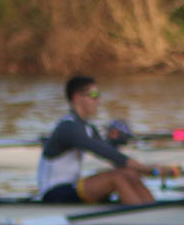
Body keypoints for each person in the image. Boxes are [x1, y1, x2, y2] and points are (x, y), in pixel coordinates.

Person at [39, 75, 173, 207]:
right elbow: (105, 153)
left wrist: (117, 142)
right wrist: (148, 169)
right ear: (77, 98)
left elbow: (111, 153)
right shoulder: (68, 127)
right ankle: (143, 217)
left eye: (99, 94)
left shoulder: (88, 127)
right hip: (54, 194)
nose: (98, 100)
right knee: (116, 178)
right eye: (93, 94)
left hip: (71, 187)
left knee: (130, 173)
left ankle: (151, 209)